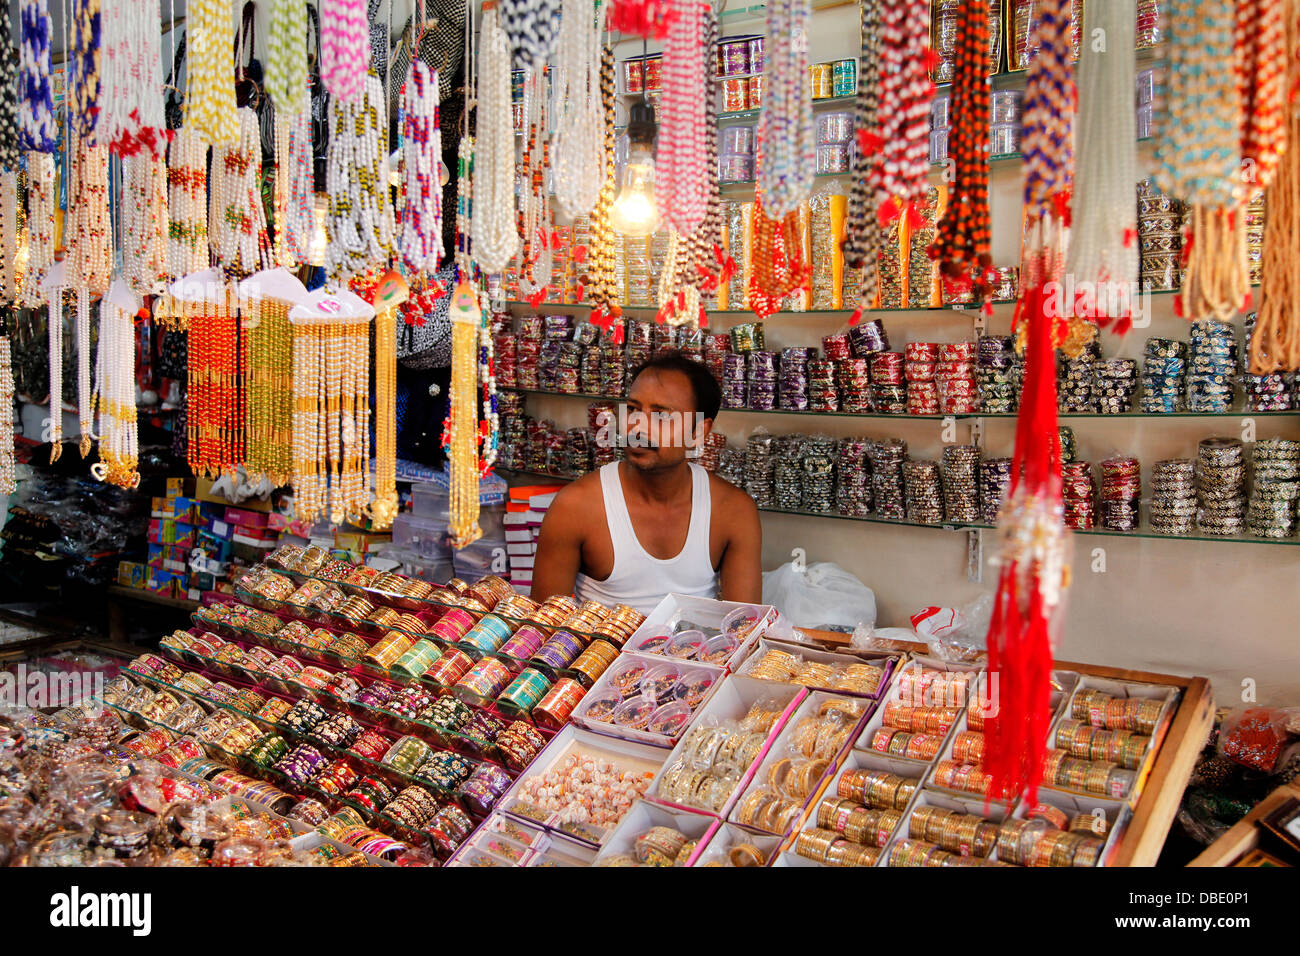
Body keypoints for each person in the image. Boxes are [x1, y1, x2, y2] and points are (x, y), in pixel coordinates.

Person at [530, 350, 762, 615]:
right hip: (600, 655)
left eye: (661, 415)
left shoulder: (733, 511)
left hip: (695, 654)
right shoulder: (576, 507)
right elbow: (543, 633)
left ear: (698, 432)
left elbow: (745, 628)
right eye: (633, 410)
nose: (637, 428)